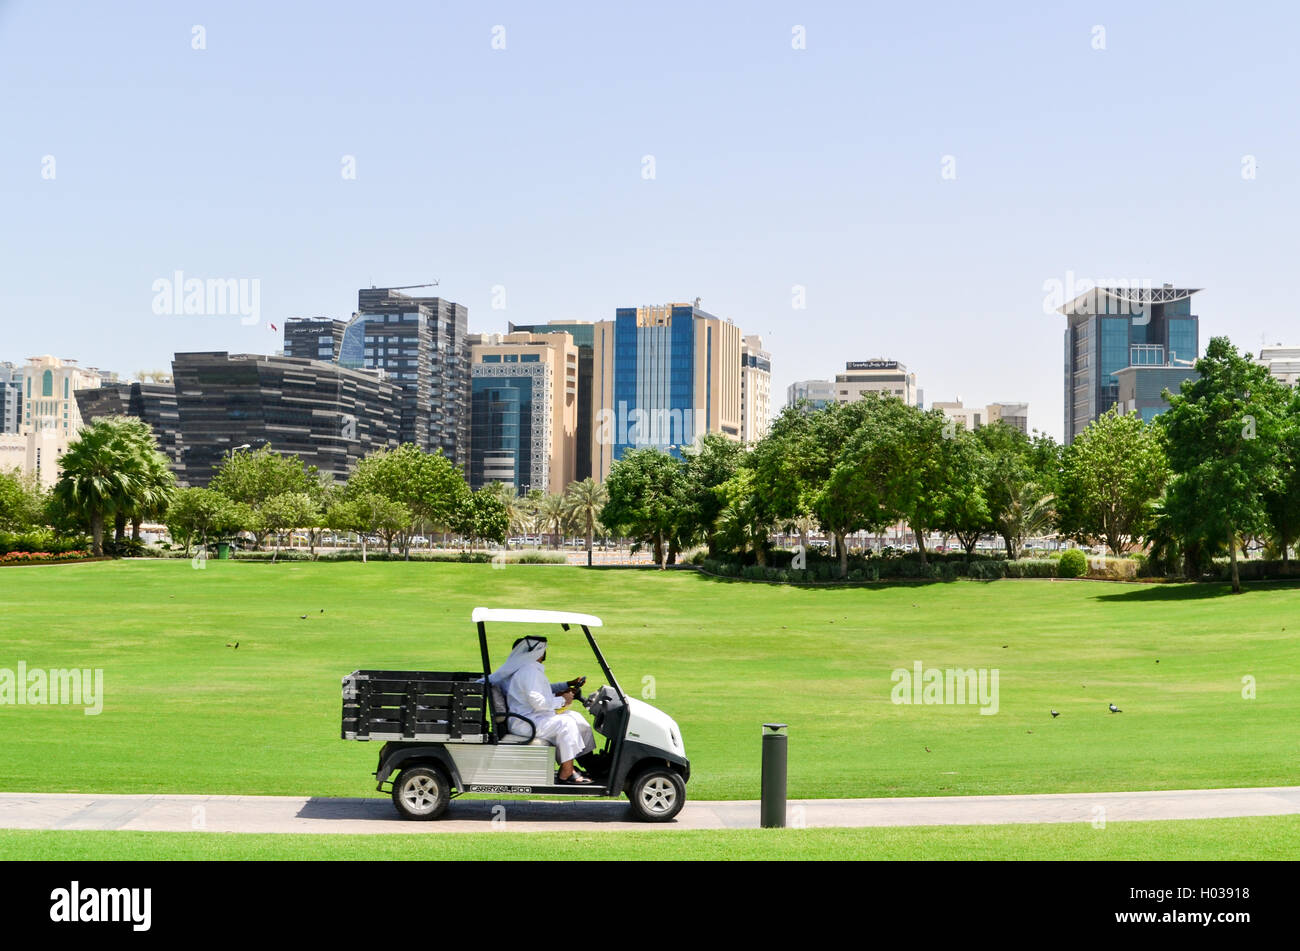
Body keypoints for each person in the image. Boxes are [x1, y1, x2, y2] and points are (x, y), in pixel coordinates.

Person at [488, 636, 596, 783]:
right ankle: (566, 773)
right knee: (566, 724)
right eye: (543, 649)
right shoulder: (528, 672)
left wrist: (565, 688)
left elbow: (542, 692)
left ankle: (590, 764)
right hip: (526, 722)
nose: (545, 652)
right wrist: (563, 700)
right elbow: (538, 702)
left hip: (533, 716)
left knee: (577, 718)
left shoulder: (529, 669)